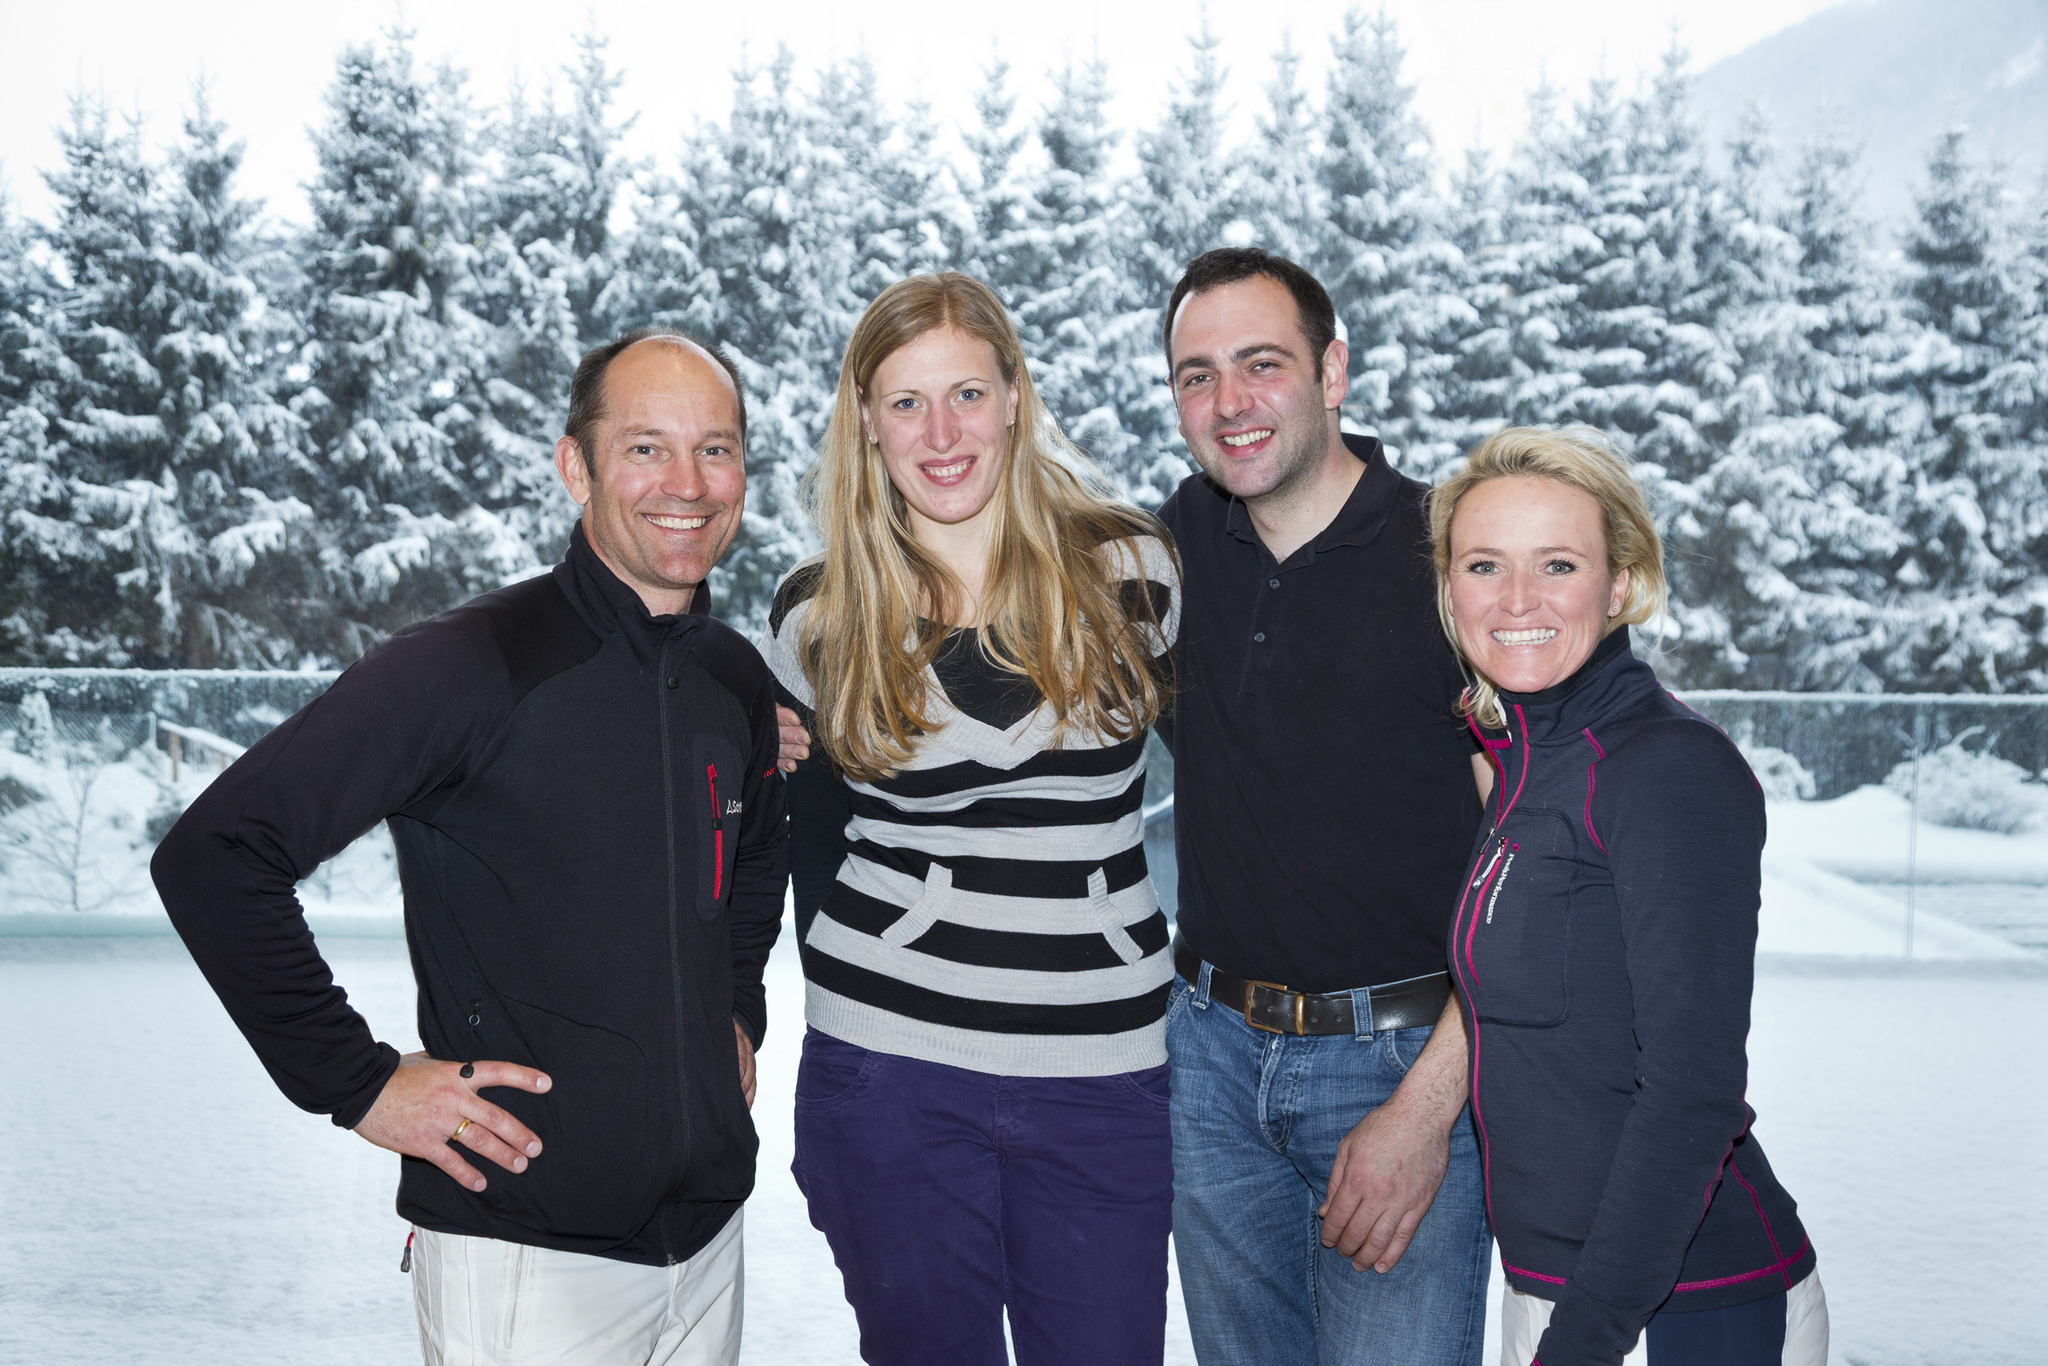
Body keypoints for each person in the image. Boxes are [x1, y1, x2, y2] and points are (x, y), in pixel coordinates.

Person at [151, 331, 789, 1366]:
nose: (687, 483)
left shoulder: (732, 677)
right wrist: (357, 1082)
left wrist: (738, 1011)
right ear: (576, 466)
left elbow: (755, 856)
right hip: (525, 1256)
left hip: (707, 1242)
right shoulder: (473, 662)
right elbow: (216, 854)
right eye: (645, 448)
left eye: (715, 450)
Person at [761, 272, 1180, 1366]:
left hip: (1102, 1070)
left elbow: (1243, 778)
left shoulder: (1132, 572)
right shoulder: (818, 613)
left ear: (1014, 398)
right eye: (906, 402)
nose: (940, 434)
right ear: (866, 419)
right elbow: (801, 842)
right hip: (889, 1069)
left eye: (966, 395)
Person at [1155, 247, 1493, 1365]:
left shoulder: (1453, 557)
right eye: (1196, 375)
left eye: (1261, 364)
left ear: (1332, 371)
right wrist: (783, 713)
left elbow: (1542, 865)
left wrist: (1431, 1108)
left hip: (1400, 1063)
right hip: (1209, 1065)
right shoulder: (1175, 547)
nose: (1229, 403)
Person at [1432, 426, 1828, 1366]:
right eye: (1484, 564)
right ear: (1450, 589)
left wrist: (1585, 1340)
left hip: (1684, 1309)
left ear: (1620, 585)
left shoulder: (1665, 769)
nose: (1517, 599)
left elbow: (1691, 1092)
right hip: (1555, 1290)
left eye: (1558, 564)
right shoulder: (1527, 758)